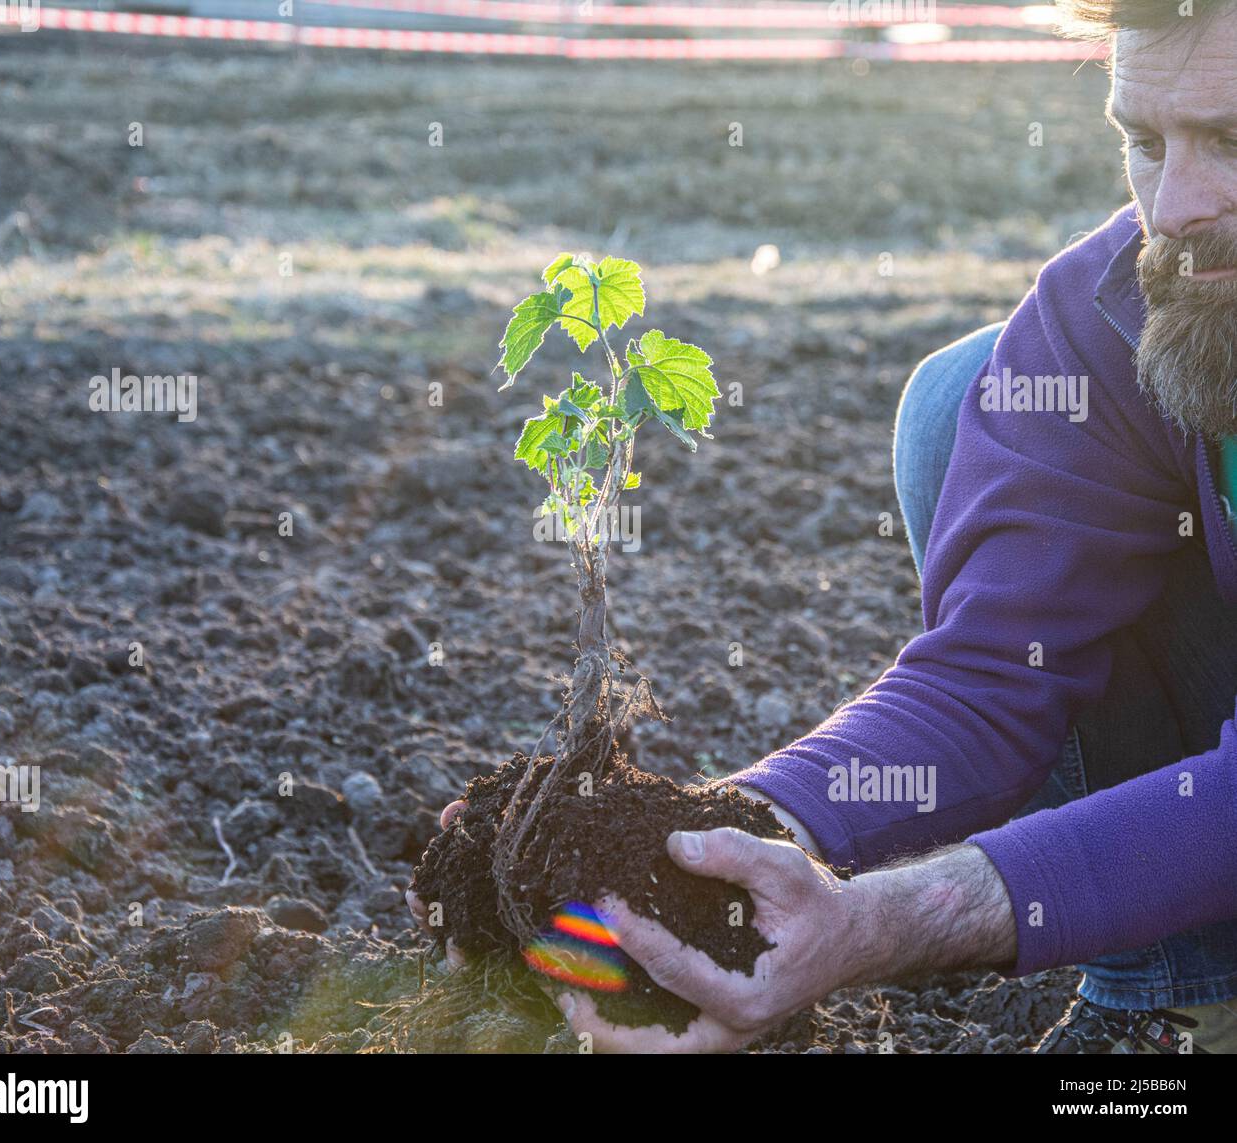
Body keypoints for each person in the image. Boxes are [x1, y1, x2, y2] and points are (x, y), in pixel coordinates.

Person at [412, 0, 1237, 1053]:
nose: (1171, 207)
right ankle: (1184, 1000)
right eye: (1142, 143)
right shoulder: (1116, 303)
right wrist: (703, 846)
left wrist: (878, 923)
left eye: (1229, 139)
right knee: (968, 399)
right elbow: (987, 675)